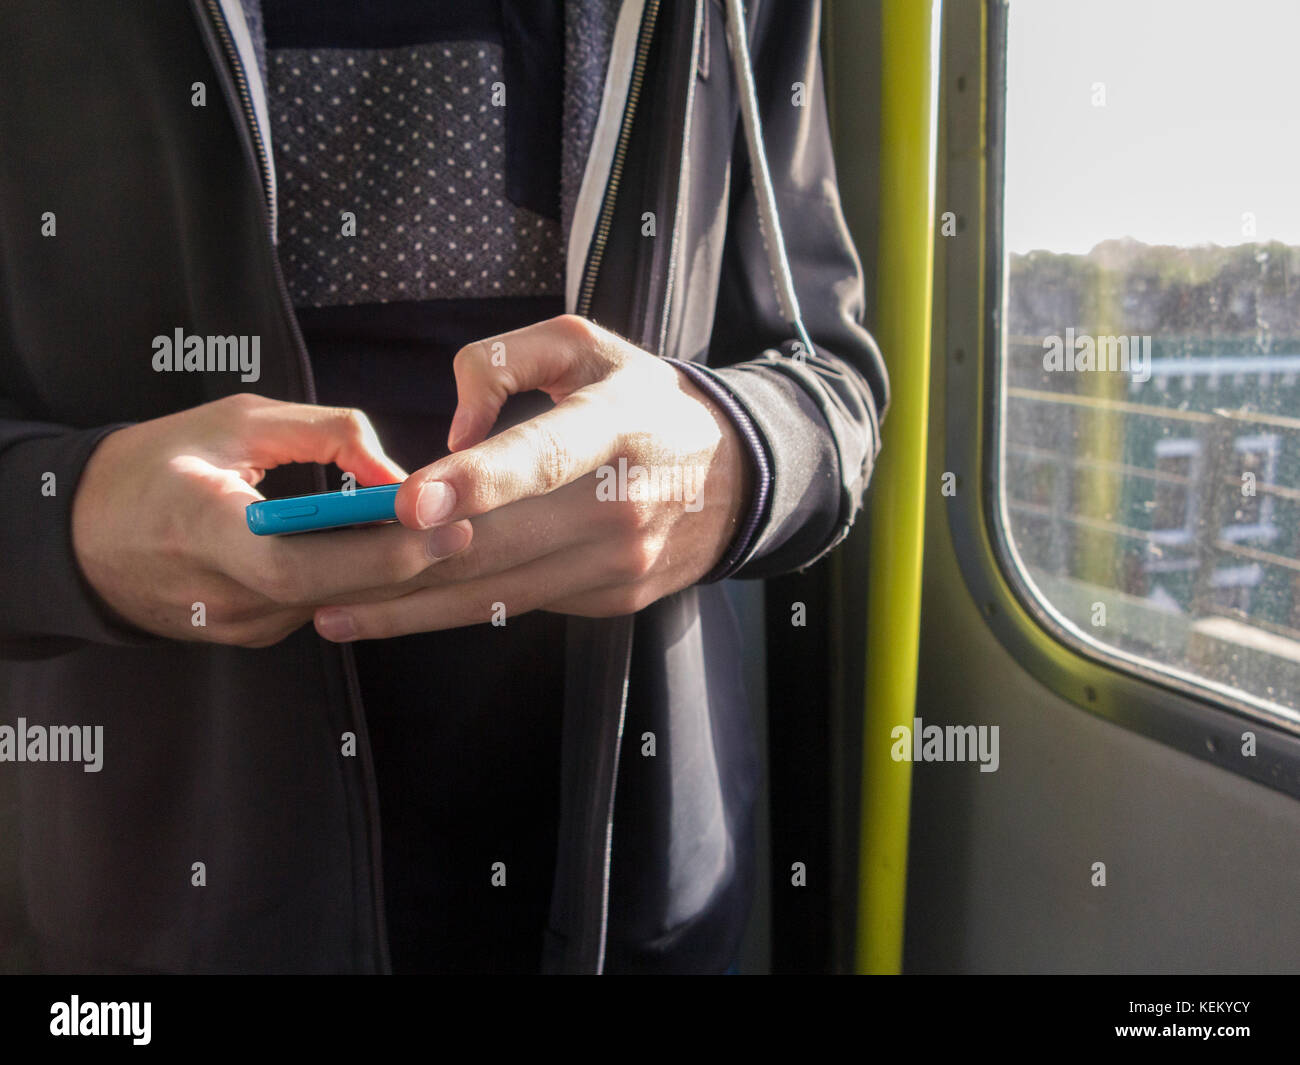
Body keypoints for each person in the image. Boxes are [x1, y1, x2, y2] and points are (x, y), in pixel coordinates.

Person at [0, 0, 887, 974]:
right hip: (161, 902)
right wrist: (73, 524)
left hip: (626, 895)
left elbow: (830, 387)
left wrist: (723, 455)